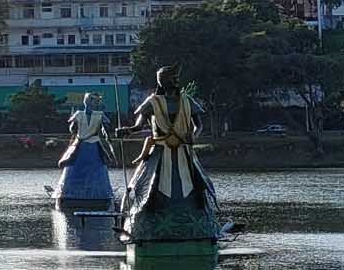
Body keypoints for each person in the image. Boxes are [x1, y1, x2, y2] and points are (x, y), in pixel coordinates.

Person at [118, 66, 220, 249]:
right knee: (146, 188)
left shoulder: (187, 101)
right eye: (171, 77)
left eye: (175, 77)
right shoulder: (153, 102)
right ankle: (143, 230)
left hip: (183, 152)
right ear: (162, 81)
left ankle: (200, 231)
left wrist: (193, 137)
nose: (174, 80)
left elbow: (199, 125)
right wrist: (127, 131)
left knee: (198, 186)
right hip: (159, 153)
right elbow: (139, 125)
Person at [54, 92, 117, 212]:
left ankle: (96, 196)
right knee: (78, 168)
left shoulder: (97, 115)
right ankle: (75, 195)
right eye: (92, 101)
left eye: (94, 101)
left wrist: (108, 138)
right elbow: (73, 129)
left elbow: (73, 129)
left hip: (90, 146)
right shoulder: (81, 114)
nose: (93, 103)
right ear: (87, 102)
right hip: (83, 146)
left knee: (92, 170)